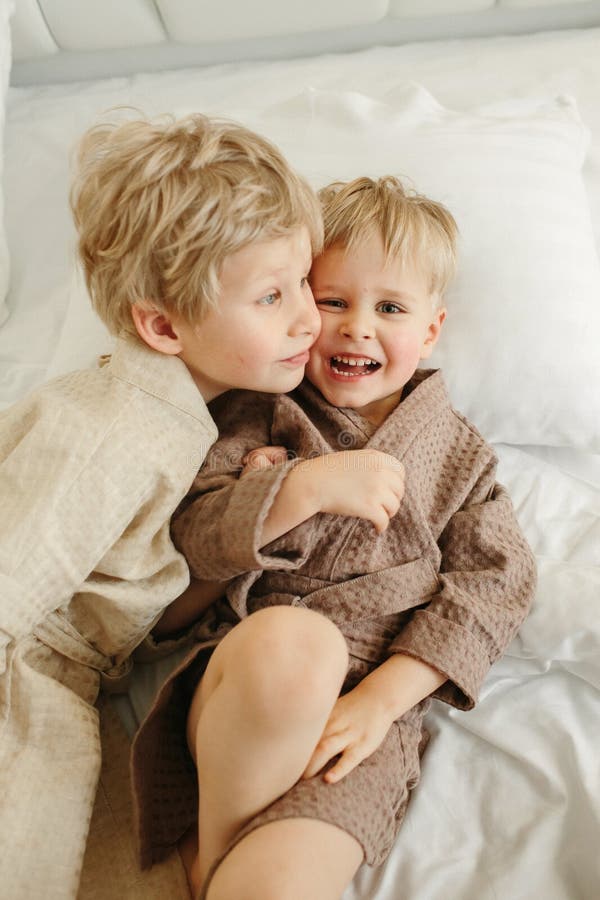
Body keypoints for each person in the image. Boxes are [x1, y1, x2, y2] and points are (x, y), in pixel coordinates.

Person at [131, 176, 537, 900]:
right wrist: (293, 491)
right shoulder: (257, 415)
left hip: (358, 726)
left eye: (389, 308)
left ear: (432, 328)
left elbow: (497, 586)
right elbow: (187, 546)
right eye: (332, 301)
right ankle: (214, 848)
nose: (357, 326)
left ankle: (214, 872)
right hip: (246, 690)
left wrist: (381, 701)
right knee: (297, 644)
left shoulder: (460, 458)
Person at [0, 112, 323, 900]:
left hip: (78, 683)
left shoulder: (191, 419)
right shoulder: (112, 426)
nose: (309, 317)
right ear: (163, 326)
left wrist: (260, 513)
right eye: (272, 296)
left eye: (306, 282)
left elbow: (152, 597)